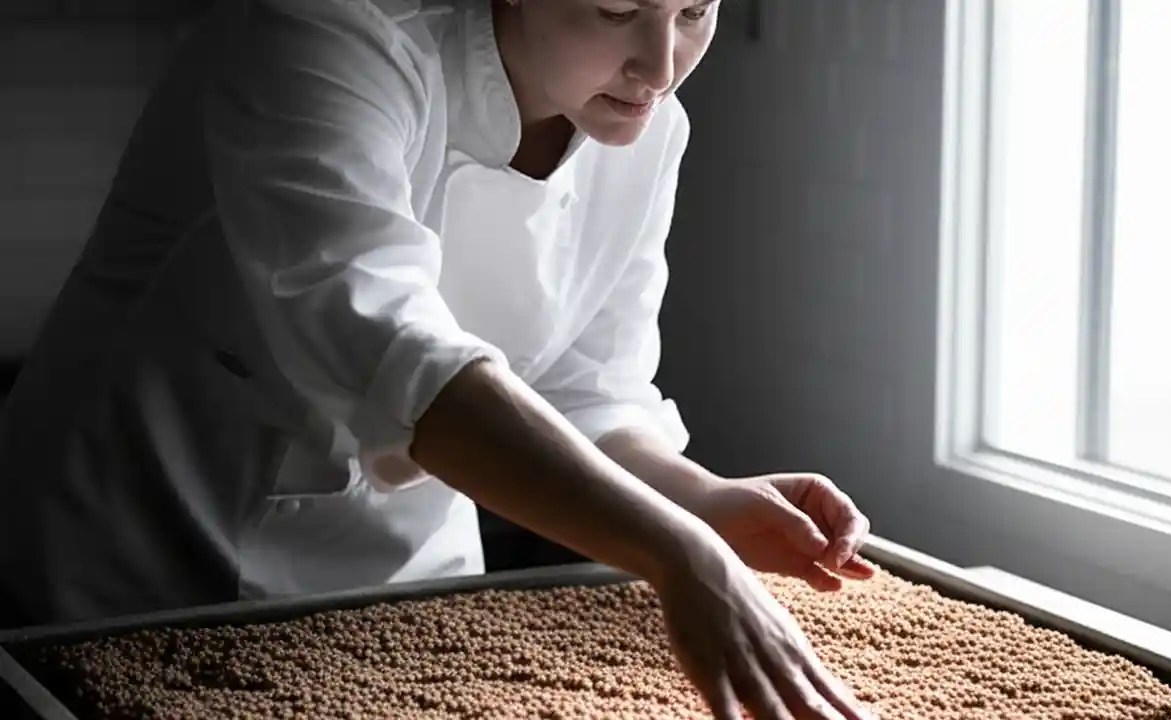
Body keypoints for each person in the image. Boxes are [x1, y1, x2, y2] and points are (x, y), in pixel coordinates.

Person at [0, 0, 880, 717]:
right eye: (617, 9)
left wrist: (708, 504)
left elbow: (587, 391)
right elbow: (394, 351)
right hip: (140, 571)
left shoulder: (648, 131)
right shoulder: (319, 40)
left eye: (694, 10)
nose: (661, 62)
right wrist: (680, 554)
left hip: (406, 597)